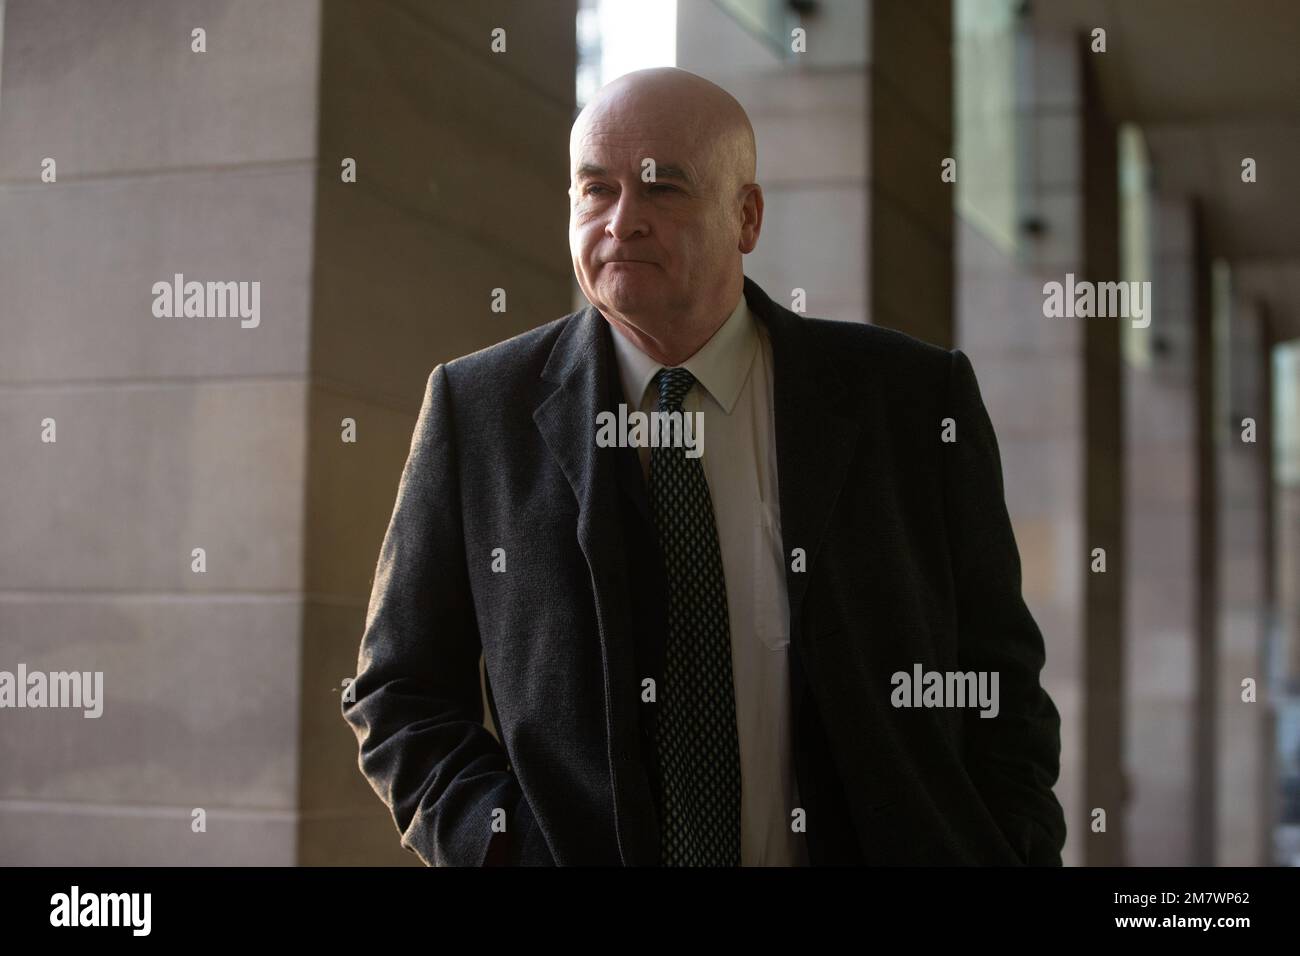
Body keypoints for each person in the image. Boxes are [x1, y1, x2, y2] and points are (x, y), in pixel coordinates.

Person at [342, 67, 1066, 866]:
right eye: (596, 190)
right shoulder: (478, 409)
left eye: (662, 189)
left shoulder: (914, 400)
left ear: (746, 216)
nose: (623, 222)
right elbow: (398, 691)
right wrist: (504, 849)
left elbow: (1001, 681)